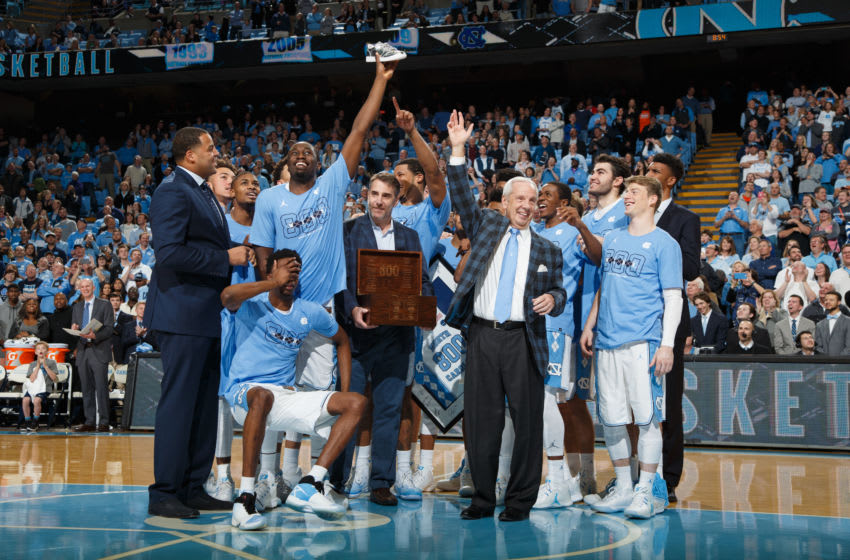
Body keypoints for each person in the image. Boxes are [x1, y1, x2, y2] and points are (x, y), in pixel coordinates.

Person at [250, 56, 400, 499]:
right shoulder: (270, 200)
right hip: (280, 311)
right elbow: (262, 258)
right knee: (272, 395)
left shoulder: (333, 185)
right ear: (286, 162)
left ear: (320, 164)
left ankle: (311, 482)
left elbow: (358, 130)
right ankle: (266, 477)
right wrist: (269, 290)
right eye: (295, 152)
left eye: (310, 153)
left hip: (319, 312)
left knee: (318, 399)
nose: (302, 155)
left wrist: (378, 80)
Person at [445, 110, 566, 522]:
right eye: (521, 199)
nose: (528, 206)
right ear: (506, 201)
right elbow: (461, 193)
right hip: (481, 336)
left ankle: (518, 502)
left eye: (534, 201)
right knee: (482, 422)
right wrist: (459, 148)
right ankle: (481, 498)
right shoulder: (487, 227)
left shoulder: (549, 249)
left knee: (529, 424)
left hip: (524, 340)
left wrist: (554, 299)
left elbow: (560, 291)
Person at [145, 127, 255, 519]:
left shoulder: (201, 190)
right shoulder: (172, 190)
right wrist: (226, 258)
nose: (216, 153)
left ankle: (192, 486)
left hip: (205, 313)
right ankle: (164, 492)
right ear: (190, 155)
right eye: (210, 148)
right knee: (179, 404)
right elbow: (171, 254)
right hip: (181, 312)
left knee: (203, 405)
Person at [220, 249, 364, 530]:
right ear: (271, 272)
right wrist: (272, 283)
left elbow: (342, 341)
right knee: (262, 395)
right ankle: (245, 498)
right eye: (287, 269)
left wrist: (343, 391)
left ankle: (309, 483)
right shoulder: (252, 303)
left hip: (283, 396)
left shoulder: (308, 311)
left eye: (296, 272)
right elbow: (226, 296)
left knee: (356, 403)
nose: (292, 276)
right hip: (243, 393)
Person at [580, 175, 681, 520]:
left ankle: (647, 491)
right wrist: (590, 324)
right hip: (607, 341)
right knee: (612, 419)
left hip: (644, 341)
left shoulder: (665, 243)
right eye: (627, 193)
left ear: (653, 199)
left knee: (649, 419)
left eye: (635, 192)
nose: (628, 197)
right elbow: (603, 285)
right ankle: (624, 487)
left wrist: (667, 345)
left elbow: (674, 297)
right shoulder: (612, 239)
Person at [330, 172, 433, 507]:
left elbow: (422, 281)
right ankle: (336, 482)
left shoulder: (410, 236)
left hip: (396, 338)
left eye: (385, 196)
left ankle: (381, 484)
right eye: (373, 194)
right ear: (366, 195)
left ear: (396, 199)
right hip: (356, 338)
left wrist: (426, 313)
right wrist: (352, 310)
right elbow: (340, 280)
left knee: (389, 410)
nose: (377, 201)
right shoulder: (347, 231)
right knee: (348, 411)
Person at [387, 98, 450, 498]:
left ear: (418, 180)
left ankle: (419, 469)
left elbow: (436, 172)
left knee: (419, 391)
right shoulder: (379, 214)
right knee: (386, 390)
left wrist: (412, 132)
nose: (394, 179)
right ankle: (386, 468)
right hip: (380, 305)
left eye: (400, 173)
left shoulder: (430, 212)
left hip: (420, 305)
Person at [645, 152, 700, 503]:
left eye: (655, 170)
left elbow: (692, 266)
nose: (647, 173)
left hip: (669, 317)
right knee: (639, 401)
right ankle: (637, 475)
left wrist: (656, 246)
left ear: (670, 181)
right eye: (647, 168)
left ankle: (668, 479)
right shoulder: (631, 215)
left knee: (669, 402)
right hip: (634, 317)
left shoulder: (684, 219)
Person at [206, 170, 262, 503]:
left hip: (260, 320)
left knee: (263, 397)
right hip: (228, 318)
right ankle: (223, 475)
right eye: (245, 182)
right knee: (224, 399)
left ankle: (262, 475)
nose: (252, 186)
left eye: (257, 183)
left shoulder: (268, 225)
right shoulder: (220, 225)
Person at [531, 181, 584, 510]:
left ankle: (559, 479)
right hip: (529, 323)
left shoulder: (572, 233)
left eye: (547, 196)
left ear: (564, 202)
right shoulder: (534, 231)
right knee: (537, 402)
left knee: (549, 400)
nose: (540, 201)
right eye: (539, 196)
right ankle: (560, 481)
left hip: (556, 324)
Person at [70, 278, 113, 432]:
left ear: (93, 287)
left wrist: (96, 336)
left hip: (99, 349)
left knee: (101, 387)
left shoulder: (105, 304)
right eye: (82, 287)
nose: (85, 288)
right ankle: (89, 421)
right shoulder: (77, 307)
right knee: (86, 388)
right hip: (82, 350)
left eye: (88, 286)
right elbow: (76, 326)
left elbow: (109, 328)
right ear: (79, 289)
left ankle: (104, 422)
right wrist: (74, 328)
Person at [21, 341, 59, 432]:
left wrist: (45, 366)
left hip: (45, 388)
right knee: (25, 400)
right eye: (38, 349)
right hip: (33, 388)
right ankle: (27, 421)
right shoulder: (32, 364)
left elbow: (54, 378)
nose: (40, 350)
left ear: (47, 351)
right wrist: (38, 366)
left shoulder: (52, 363)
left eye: (43, 348)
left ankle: (35, 421)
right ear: (35, 352)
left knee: (37, 400)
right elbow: (32, 379)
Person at [814, 291, 850, 355]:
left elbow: (848, 347)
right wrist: (827, 360)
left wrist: (838, 361)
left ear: (839, 302)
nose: (828, 302)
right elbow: (818, 346)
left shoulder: (848, 321)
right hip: (825, 363)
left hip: (844, 362)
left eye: (831, 300)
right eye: (826, 300)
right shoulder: (819, 324)